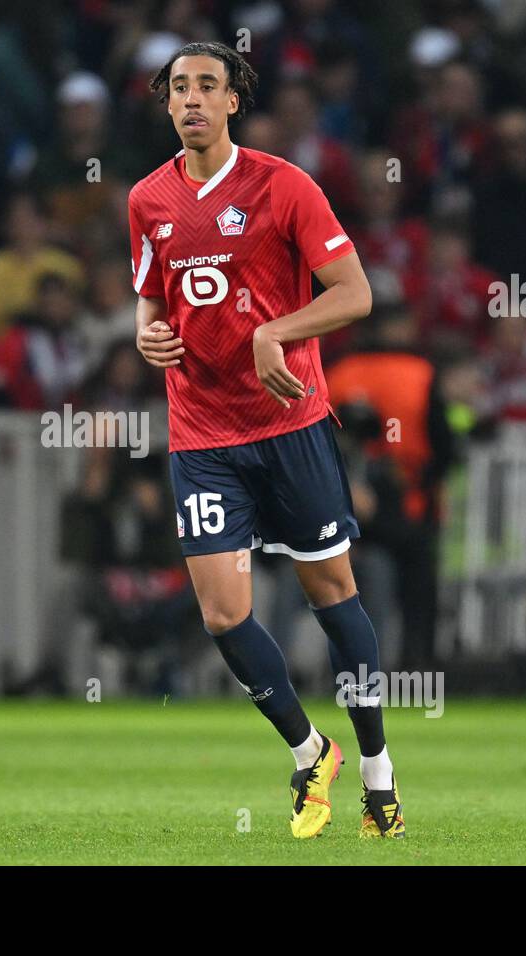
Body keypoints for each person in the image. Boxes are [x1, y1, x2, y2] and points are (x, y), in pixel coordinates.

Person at [128, 41, 402, 839]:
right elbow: (153, 301)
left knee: (331, 595)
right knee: (222, 614)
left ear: (234, 101)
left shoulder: (285, 185)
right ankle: (312, 750)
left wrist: (275, 331)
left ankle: (379, 774)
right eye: (179, 88)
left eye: (208, 86)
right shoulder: (148, 200)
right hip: (202, 435)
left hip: (291, 426)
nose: (192, 100)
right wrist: (147, 336)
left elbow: (355, 293)